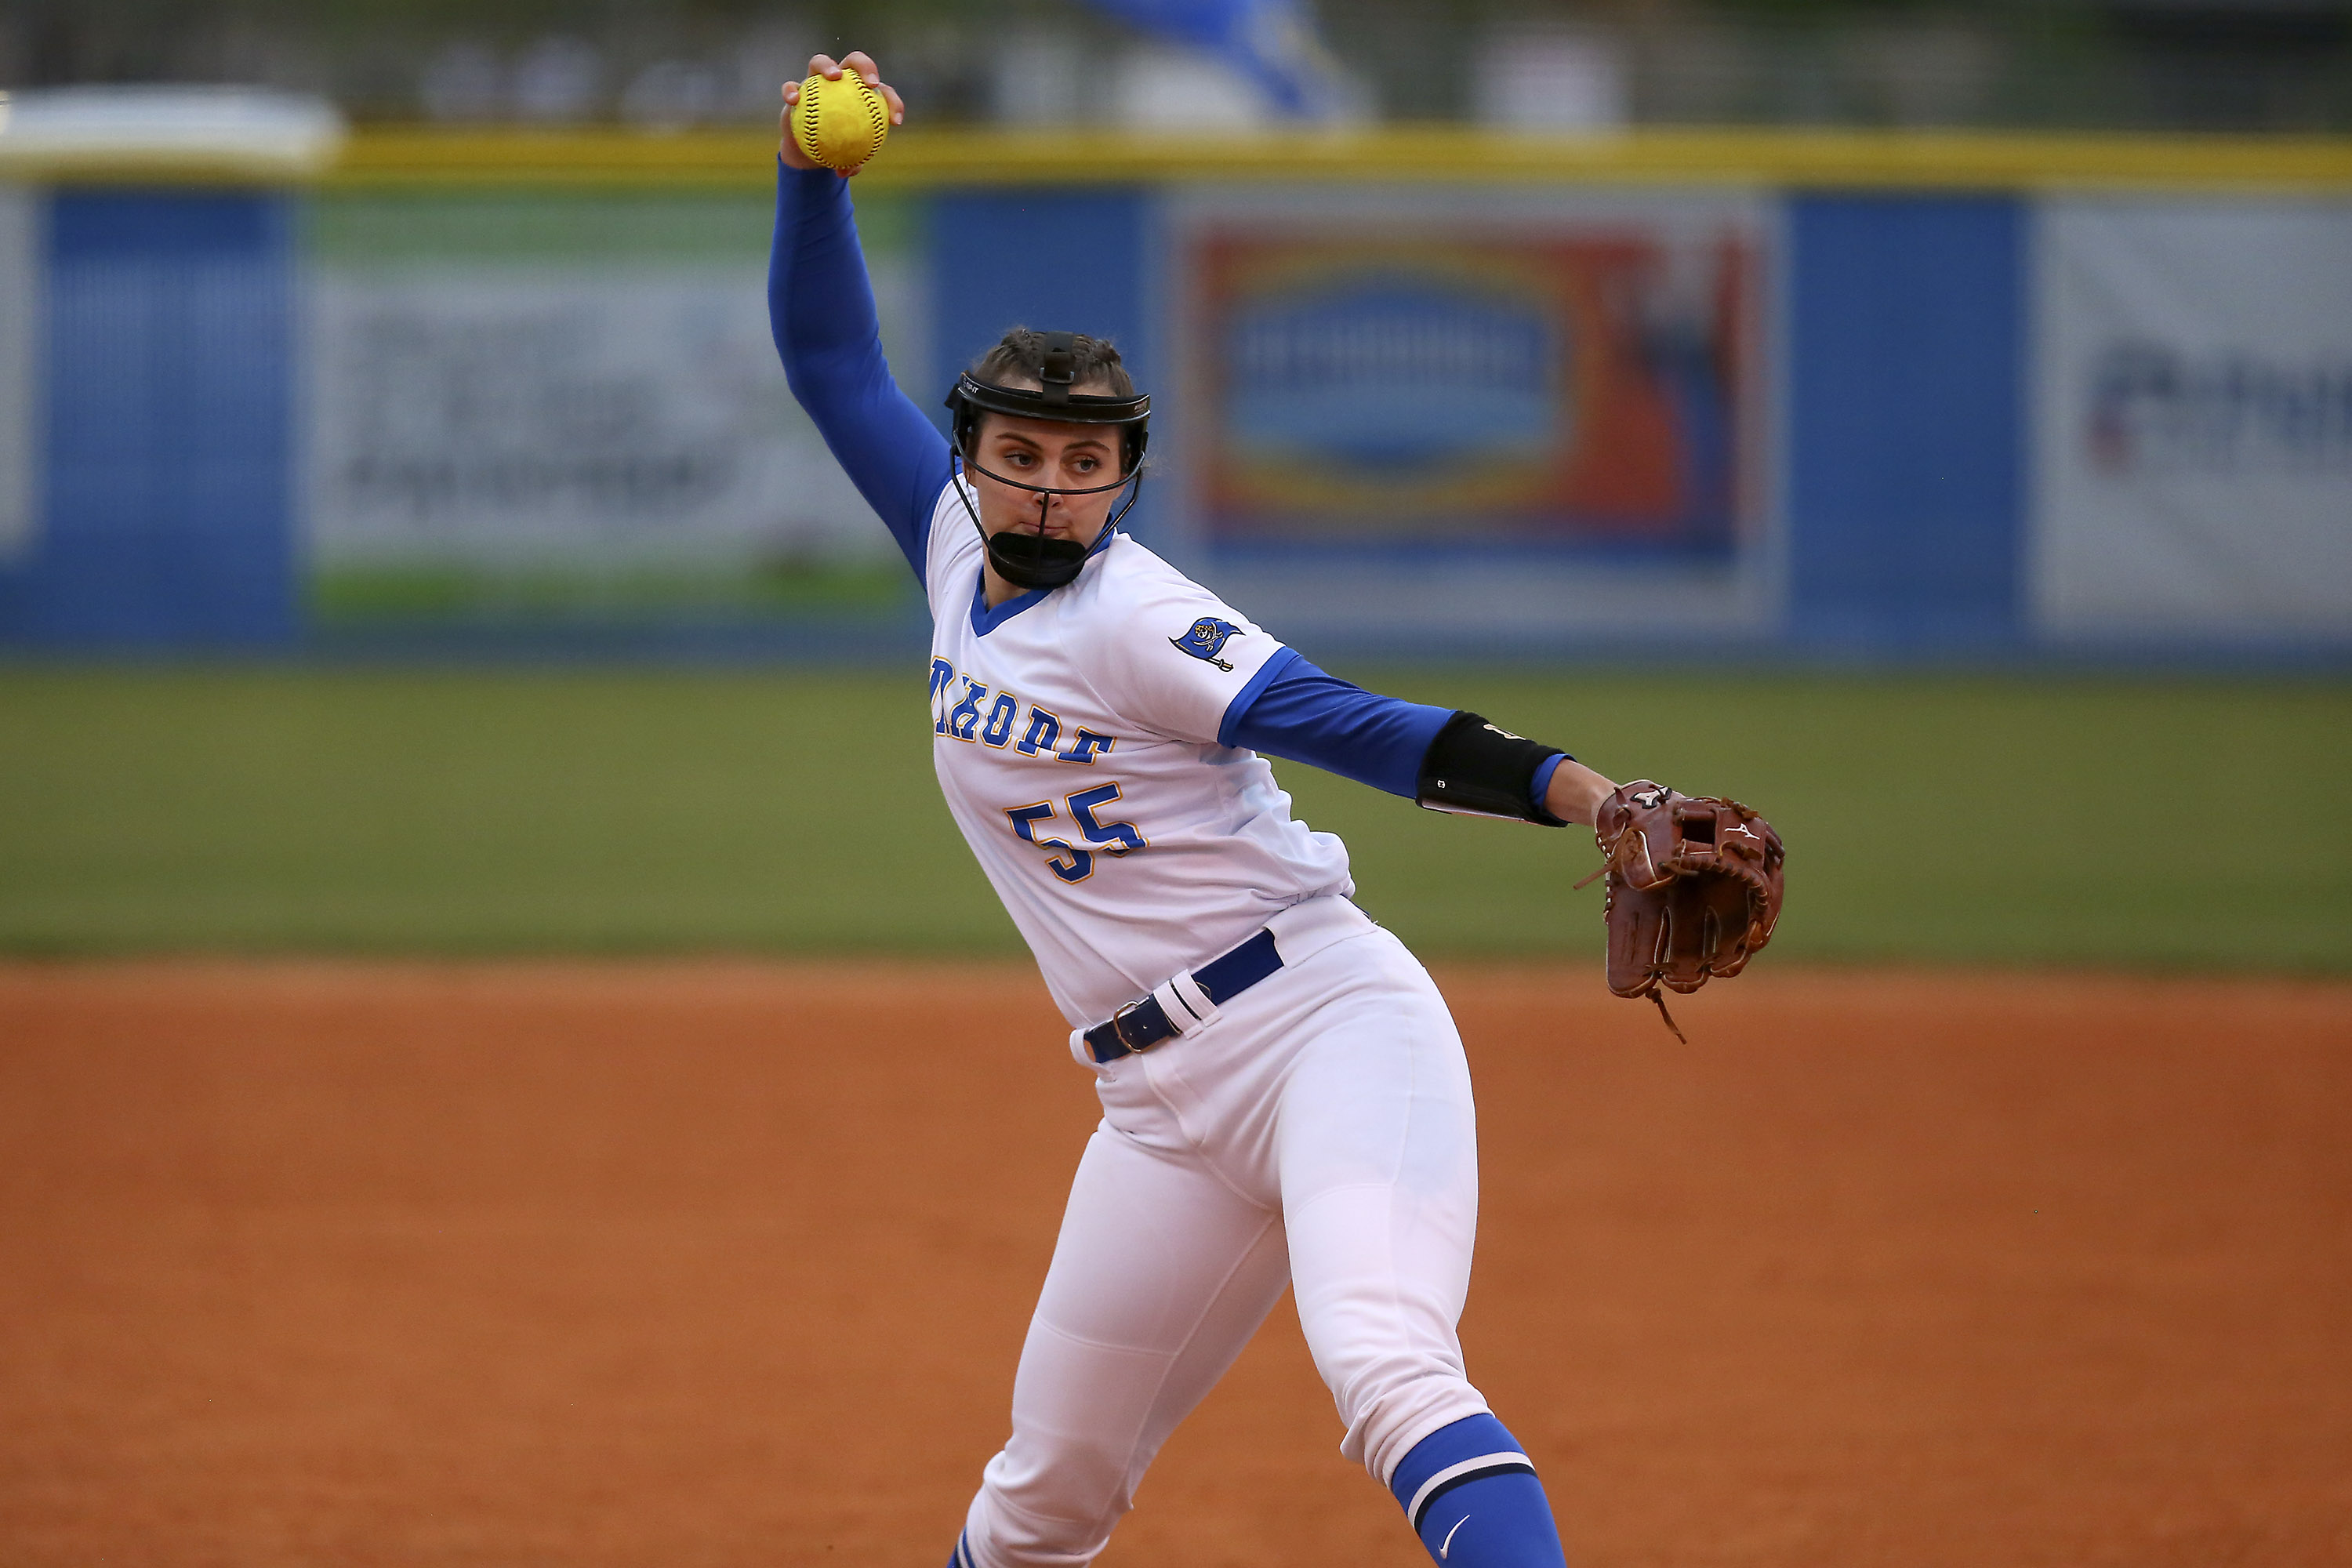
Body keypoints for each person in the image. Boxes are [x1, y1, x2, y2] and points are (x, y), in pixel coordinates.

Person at [773, 53, 1629, 1568]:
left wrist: (1593, 795)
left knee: (1382, 1361)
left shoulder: (1140, 622)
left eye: (1082, 465)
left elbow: (1357, 728)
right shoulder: (946, 551)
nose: (1046, 489)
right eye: (1019, 458)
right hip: (1152, 1111)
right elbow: (836, 368)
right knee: (1044, 1496)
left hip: (1323, 1029)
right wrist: (810, 179)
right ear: (970, 465)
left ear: (1121, 483)